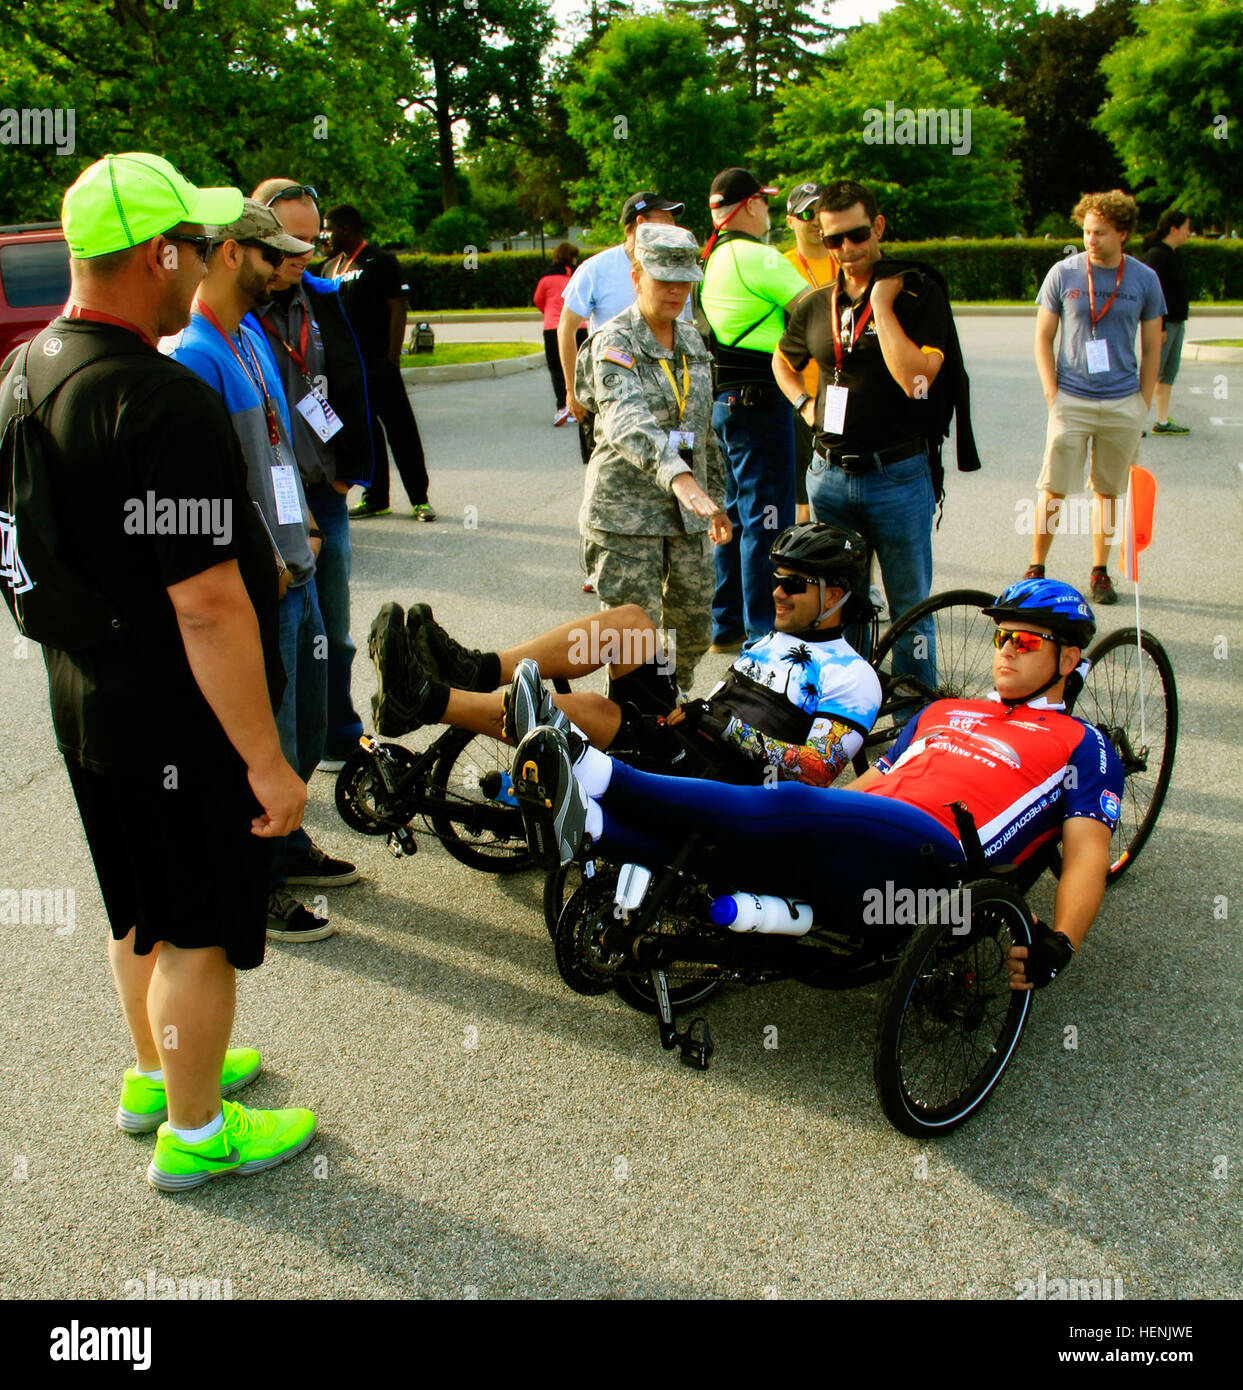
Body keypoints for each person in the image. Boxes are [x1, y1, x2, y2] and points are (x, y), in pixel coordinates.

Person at [0, 152, 315, 1189]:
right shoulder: (159, 397)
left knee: (134, 905)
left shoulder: (24, 373)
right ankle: (194, 1131)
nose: (203, 264)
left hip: (79, 689)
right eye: (190, 246)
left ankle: (154, 1070)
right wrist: (267, 761)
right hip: (171, 710)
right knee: (194, 931)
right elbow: (209, 600)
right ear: (155, 253)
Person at [511, 579, 1122, 991]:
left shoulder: (1081, 743)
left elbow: (1088, 852)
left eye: (1025, 641)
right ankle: (595, 823)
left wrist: (1061, 942)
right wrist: (819, 814)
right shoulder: (942, 713)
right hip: (863, 838)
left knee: (784, 802)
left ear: (1068, 660)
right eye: (1001, 637)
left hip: (938, 862)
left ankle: (596, 773)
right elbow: (874, 782)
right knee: (734, 847)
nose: (1006, 652)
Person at [169, 199, 358, 943]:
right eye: (269, 253)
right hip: (264, 580)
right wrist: (267, 556)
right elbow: (215, 480)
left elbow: (276, 447)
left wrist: (307, 520)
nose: (286, 264)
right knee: (269, 733)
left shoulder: (248, 332)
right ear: (227, 255)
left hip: (295, 560)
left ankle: (288, 841)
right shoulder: (192, 354)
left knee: (308, 720)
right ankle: (264, 879)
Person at [366, 522, 882, 789]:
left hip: (721, 778)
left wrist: (725, 727)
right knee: (631, 621)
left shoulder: (855, 679)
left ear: (834, 595)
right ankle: (476, 669)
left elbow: (815, 769)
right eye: (776, 581)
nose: (776, 593)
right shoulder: (779, 637)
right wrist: (702, 716)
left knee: (594, 712)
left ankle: (423, 700)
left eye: (793, 585)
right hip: (689, 732)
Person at [772, 179, 976, 685]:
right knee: (840, 602)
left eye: (856, 235)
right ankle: (852, 703)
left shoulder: (915, 292)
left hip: (898, 476)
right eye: (832, 240)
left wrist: (881, 308)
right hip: (830, 476)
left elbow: (918, 380)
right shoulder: (818, 304)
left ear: (878, 227)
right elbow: (783, 359)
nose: (846, 250)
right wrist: (805, 405)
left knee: (909, 607)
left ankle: (913, 710)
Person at [251, 178, 377, 773]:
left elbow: (356, 383)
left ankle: (339, 732)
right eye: (288, 241)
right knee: (294, 633)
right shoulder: (238, 310)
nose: (303, 253)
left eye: (312, 240)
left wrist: (347, 474)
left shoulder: (325, 298)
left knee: (337, 628)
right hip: (272, 502)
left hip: (323, 491)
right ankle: (288, 751)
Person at [573, 223, 731, 687]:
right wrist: (681, 480)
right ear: (637, 275)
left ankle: (670, 703)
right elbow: (627, 420)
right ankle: (633, 727)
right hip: (626, 514)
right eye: (665, 279)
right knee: (634, 642)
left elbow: (701, 431)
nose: (678, 290)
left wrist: (713, 498)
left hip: (687, 517)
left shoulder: (691, 341)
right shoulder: (614, 341)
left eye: (685, 280)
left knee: (695, 627)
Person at [1027, 190, 1165, 605]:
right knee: (1053, 488)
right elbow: (1043, 338)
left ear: (1122, 233)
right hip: (1072, 398)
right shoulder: (1064, 273)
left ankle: (1099, 571)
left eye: (1100, 232)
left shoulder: (1144, 278)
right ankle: (1036, 566)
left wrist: (1142, 403)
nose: (1090, 239)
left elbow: (1154, 345)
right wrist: (1053, 393)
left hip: (1123, 401)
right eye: (1086, 231)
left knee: (1107, 491)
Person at [699, 167, 810, 652]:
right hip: (762, 401)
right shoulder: (754, 256)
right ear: (746, 206)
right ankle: (765, 635)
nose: (769, 210)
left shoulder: (716, 257)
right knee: (768, 519)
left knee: (739, 517)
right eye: (764, 201)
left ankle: (728, 623)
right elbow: (817, 307)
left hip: (729, 400)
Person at [321, 203, 436, 521]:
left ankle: (419, 499)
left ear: (346, 228)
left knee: (401, 430)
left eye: (328, 227)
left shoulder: (380, 262)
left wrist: (391, 360)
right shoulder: (328, 268)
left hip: (378, 364)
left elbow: (398, 309)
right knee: (365, 432)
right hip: (347, 369)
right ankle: (376, 496)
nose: (324, 234)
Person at [559, 191, 686, 466]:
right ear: (640, 223)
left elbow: (684, 331)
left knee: (674, 472)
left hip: (669, 397)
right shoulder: (596, 269)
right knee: (615, 479)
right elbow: (566, 329)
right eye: (665, 219)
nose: (673, 228)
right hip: (614, 397)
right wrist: (572, 391)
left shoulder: (677, 270)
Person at [782, 181, 836, 524]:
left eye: (820, 212)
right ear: (790, 221)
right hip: (799, 396)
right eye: (806, 214)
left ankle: (855, 577)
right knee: (800, 496)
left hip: (840, 393)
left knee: (843, 493)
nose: (815, 221)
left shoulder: (844, 259)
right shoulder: (780, 265)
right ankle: (799, 573)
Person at [1142, 209, 1194, 435]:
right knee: (1150, 373)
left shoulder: (1173, 254)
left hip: (1177, 323)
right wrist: (1159, 326)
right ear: (1174, 228)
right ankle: (1134, 423)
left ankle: (1162, 420)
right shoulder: (1157, 256)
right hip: (1163, 325)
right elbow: (1153, 294)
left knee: (1167, 373)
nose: (1189, 233)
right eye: (1186, 228)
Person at [533, 241, 580, 425]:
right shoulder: (577, 276)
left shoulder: (546, 279)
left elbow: (538, 300)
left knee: (556, 368)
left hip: (553, 327)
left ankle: (563, 406)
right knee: (578, 367)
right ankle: (580, 404)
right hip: (578, 326)